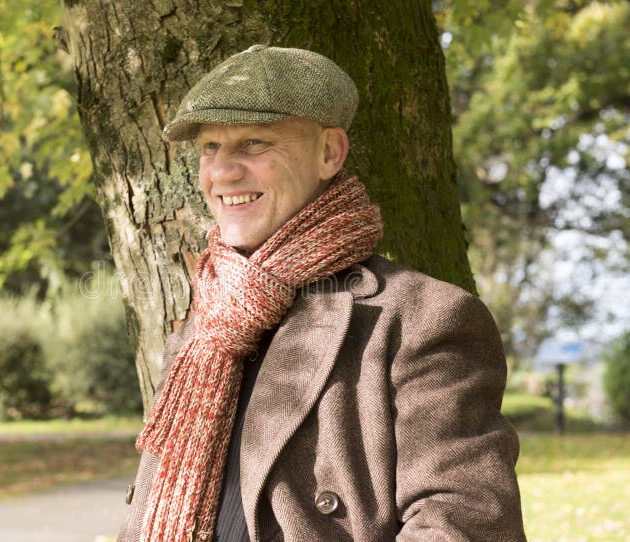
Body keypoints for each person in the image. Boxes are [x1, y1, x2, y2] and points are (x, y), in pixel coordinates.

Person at [117, 45, 525, 542]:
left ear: (329, 152)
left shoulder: (422, 319)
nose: (221, 171)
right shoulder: (203, 327)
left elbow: (466, 521)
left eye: (253, 143)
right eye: (209, 147)